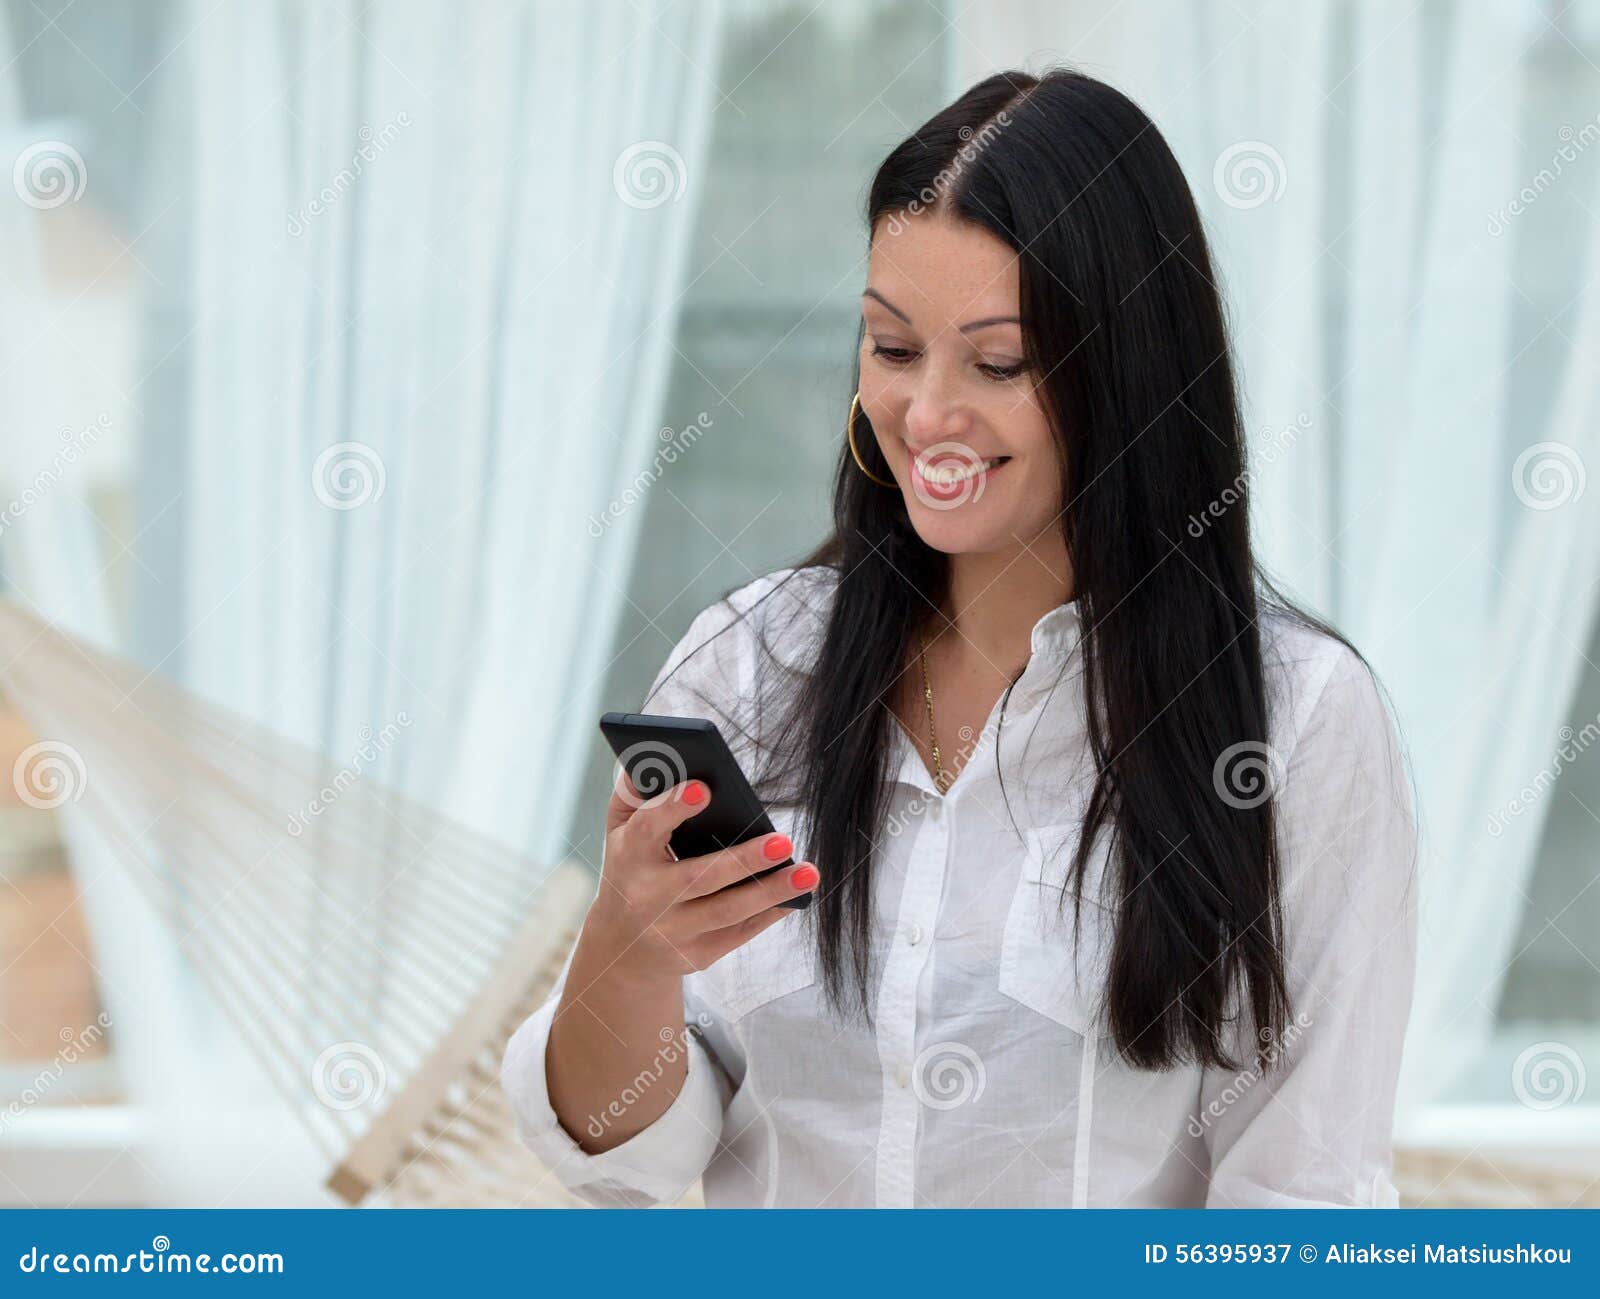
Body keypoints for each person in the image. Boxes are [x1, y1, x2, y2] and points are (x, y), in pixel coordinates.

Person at [502, 66, 1418, 1209]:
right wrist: (623, 954)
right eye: (890, 348)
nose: (927, 414)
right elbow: (626, 1152)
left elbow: (1303, 1200)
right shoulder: (745, 664)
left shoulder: (1295, 720)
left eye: (996, 363)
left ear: (1128, 373)